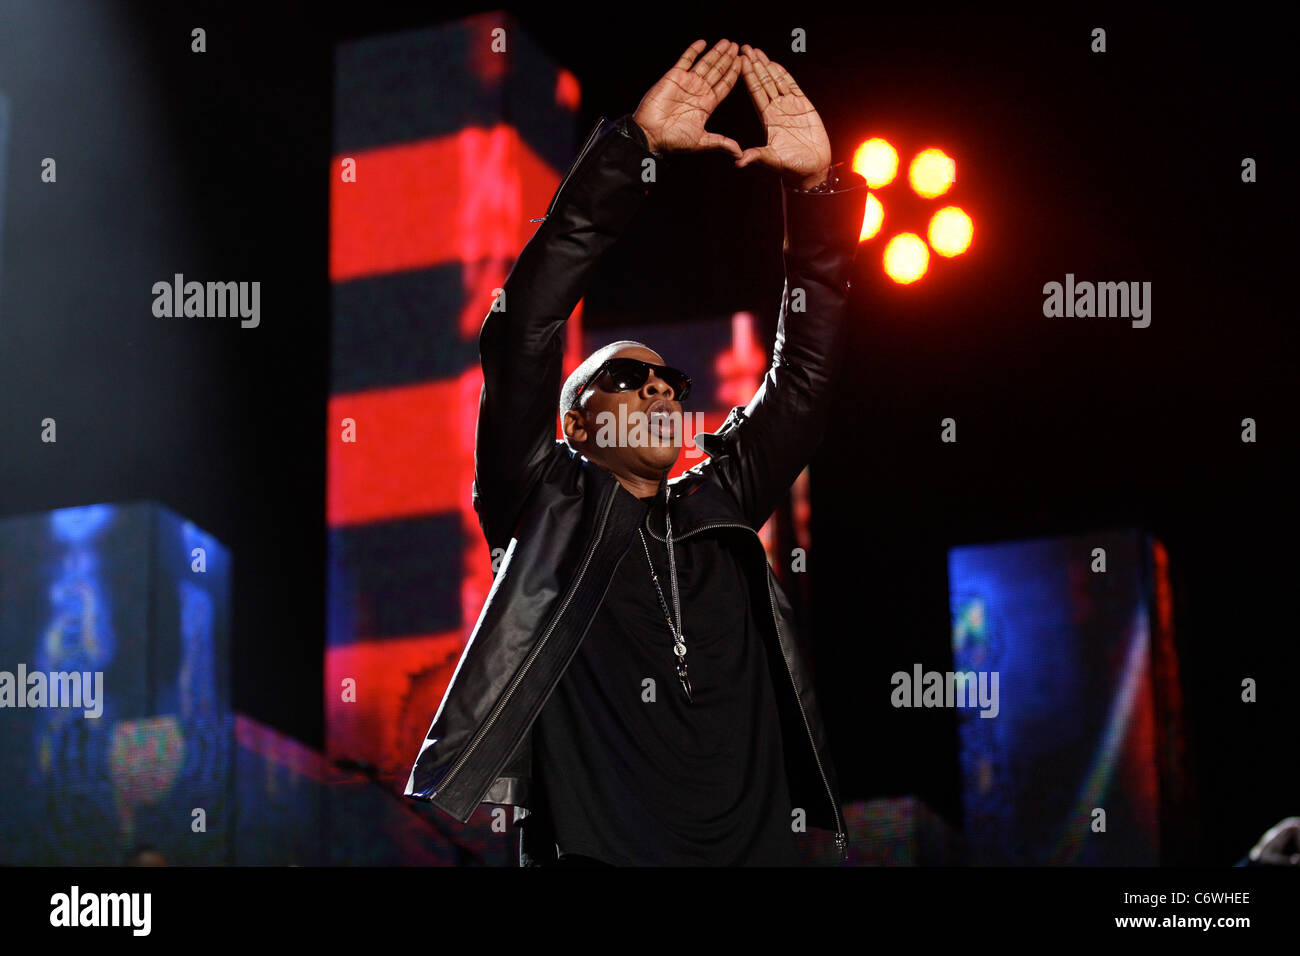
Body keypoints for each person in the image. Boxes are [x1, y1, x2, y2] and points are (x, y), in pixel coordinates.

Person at [404, 38, 868, 866]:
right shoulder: (542, 506)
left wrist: (816, 193)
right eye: (624, 378)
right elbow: (525, 331)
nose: (658, 392)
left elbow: (803, 379)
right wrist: (632, 152)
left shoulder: (720, 505)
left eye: (670, 384)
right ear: (576, 424)